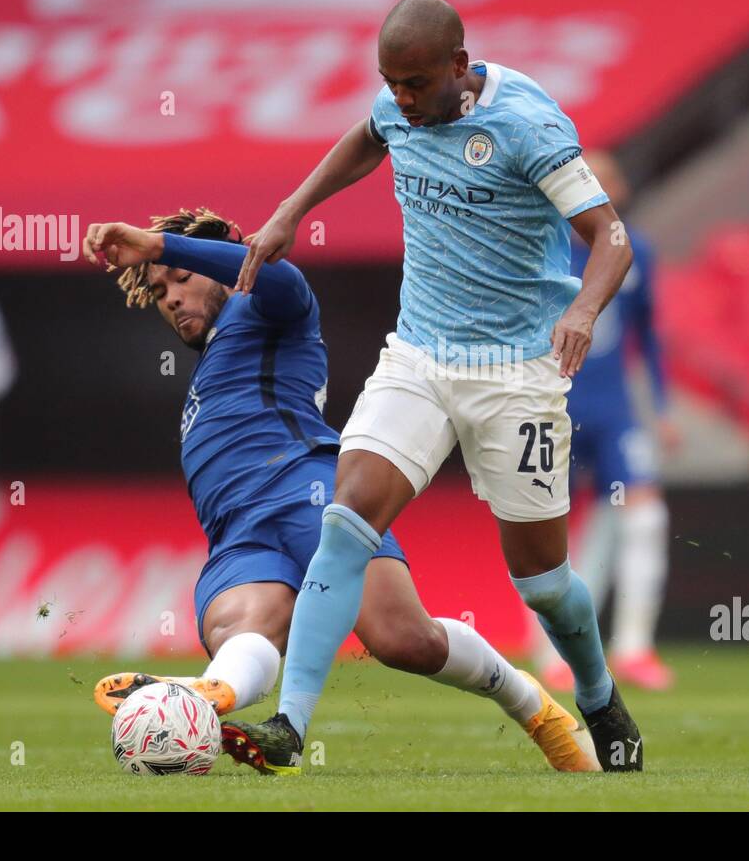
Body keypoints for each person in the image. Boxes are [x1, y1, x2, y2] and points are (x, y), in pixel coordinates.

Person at [227, 0, 644, 772]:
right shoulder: (399, 104)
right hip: (417, 357)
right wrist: (291, 210)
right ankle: (289, 722)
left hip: (514, 374)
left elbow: (610, 235)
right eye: (391, 82)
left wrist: (585, 308)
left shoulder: (529, 124)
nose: (402, 99)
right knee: (347, 514)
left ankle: (597, 696)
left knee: (544, 582)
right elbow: (365, 135)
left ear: (459, 66)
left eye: (416, 83)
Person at [81, 207, 599, 773]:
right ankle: (209, 696)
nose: (172, 296)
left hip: (307, 494)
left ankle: (536, 709)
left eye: (181, 276)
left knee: (403, 640)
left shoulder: (267, 310)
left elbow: (281, 276)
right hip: (238, 534)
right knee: (241, 627)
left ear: (224, 268)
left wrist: (159, 244)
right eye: (159, 291)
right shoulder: (212, 366)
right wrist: (165, 257)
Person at [533, 150, 680, 692]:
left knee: (643, 516)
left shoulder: (636, 251)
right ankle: (550, 651)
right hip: (554, 407)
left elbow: (648, 334)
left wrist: (661, 410)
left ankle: (635, 648)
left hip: (615, 410)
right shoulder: (541, 251)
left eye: (609, 182)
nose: (599, 191)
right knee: (546, 530)